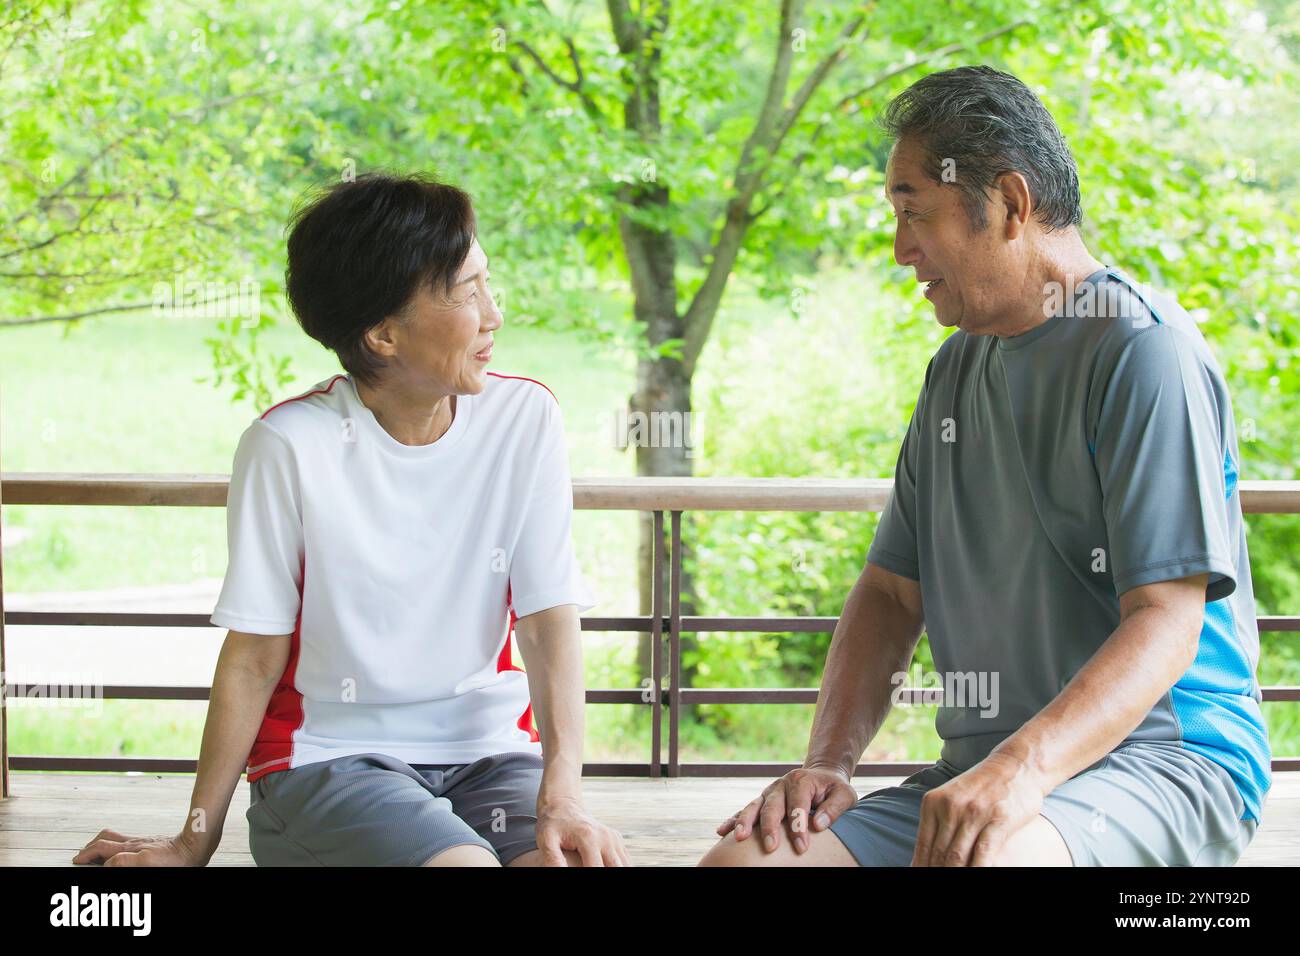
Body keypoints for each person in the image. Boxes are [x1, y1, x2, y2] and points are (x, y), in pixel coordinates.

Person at [700, 65, 1271, 867]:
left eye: (913, 214)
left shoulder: (1144, 354)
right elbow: (892, 593)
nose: (901, 250)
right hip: (988, 771)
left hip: (1163, 764)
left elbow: (1167, 621)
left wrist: (1022, 765)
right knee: (746, 863)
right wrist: (828, 763)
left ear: (1009, 202)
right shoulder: (956, 369)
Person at [75, 173, 629, 867]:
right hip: (328, 760)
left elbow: (548, 618)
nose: (493, 315)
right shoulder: (289, 446)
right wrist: (195, 839)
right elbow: (252, 658)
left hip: (488, 756)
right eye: (466, 293)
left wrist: (563, 796)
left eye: (489, 284)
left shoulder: (525, 420)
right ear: (383, 334)